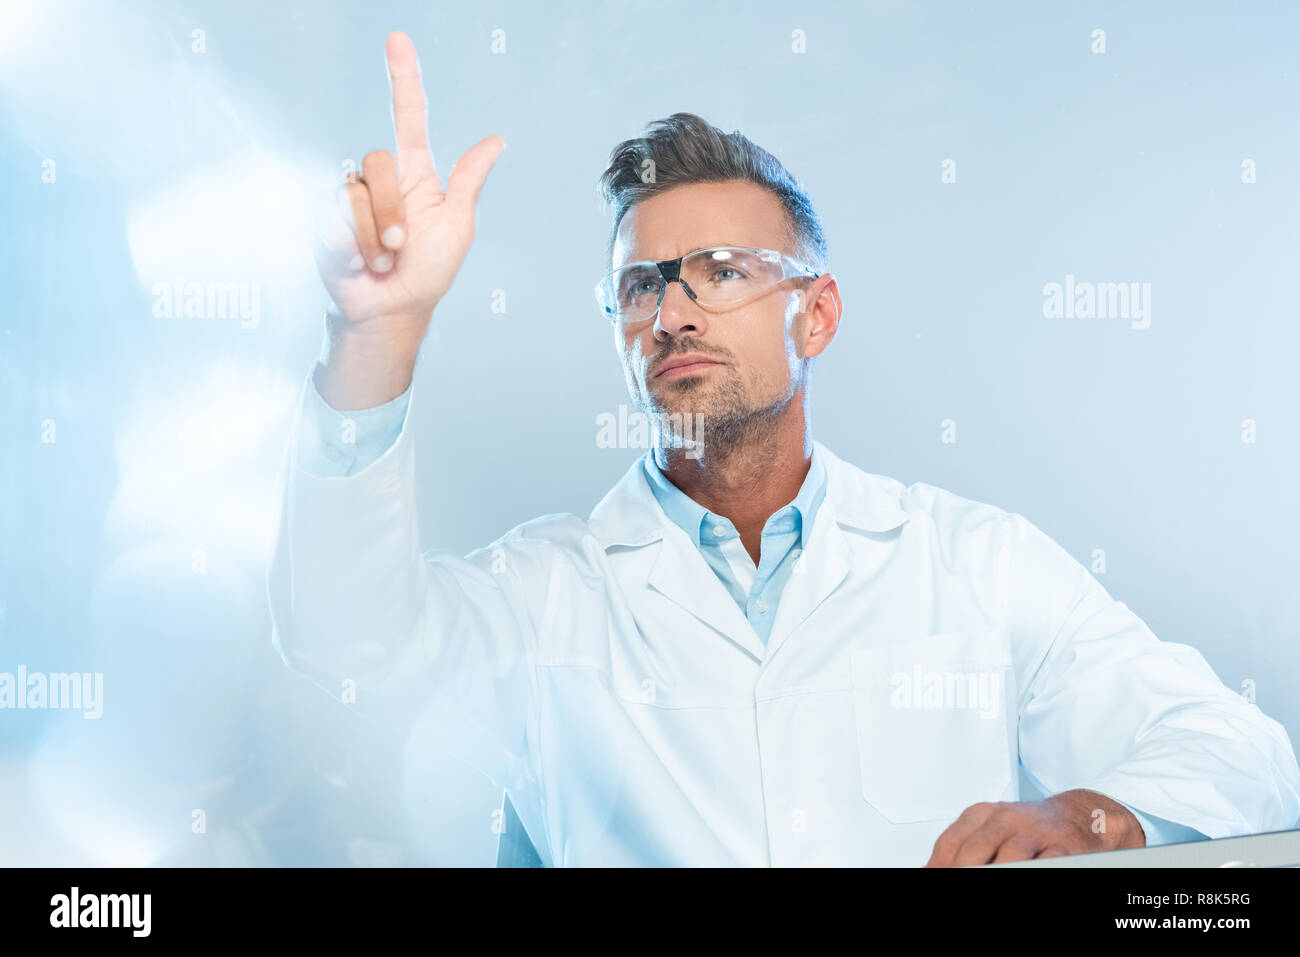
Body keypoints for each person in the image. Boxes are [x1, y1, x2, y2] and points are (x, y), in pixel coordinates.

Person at [268, 31, 1300, 866]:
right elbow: (345, 638)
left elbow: (1242, 754)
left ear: (817, 316)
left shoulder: (972, 563)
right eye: (642, 284)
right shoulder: (545, 593)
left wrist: (1088, 818)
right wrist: (376, 333)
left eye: (719, 271)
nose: (670, 311)